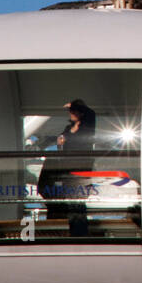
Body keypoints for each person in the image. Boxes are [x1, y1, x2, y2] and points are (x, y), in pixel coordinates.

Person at [42, 99, 97, 236]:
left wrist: (73, 105)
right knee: (71, 201)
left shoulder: (87, 125)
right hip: (68, 168)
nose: (70, 114)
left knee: (77, 201)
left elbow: (91, 113)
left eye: (72, 111)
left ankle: (80, 233)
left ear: (79, 112)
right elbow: (62, 140)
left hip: (81, 168)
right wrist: (60, 140)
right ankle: (74, 231)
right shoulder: (68, 128)